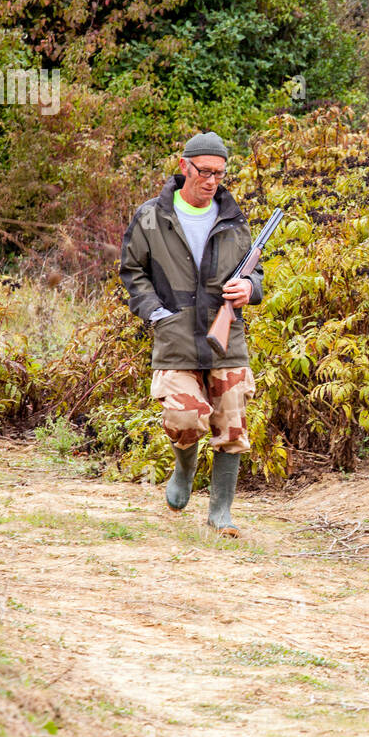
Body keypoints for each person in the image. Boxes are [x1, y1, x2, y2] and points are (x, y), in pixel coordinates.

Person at [119, 132, 262, 536]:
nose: (213, 180)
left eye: (220, 173)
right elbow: (133, 272)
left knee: (231, 428)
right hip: (175, 336)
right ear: (184, 167)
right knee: (184, 418)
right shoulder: (151, 216)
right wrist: (156, 314)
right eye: (205, 171)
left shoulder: (234, 218)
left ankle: (220, 513)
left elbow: (256, 275)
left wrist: (250, 289)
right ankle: (184, 470)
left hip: (226, 340)